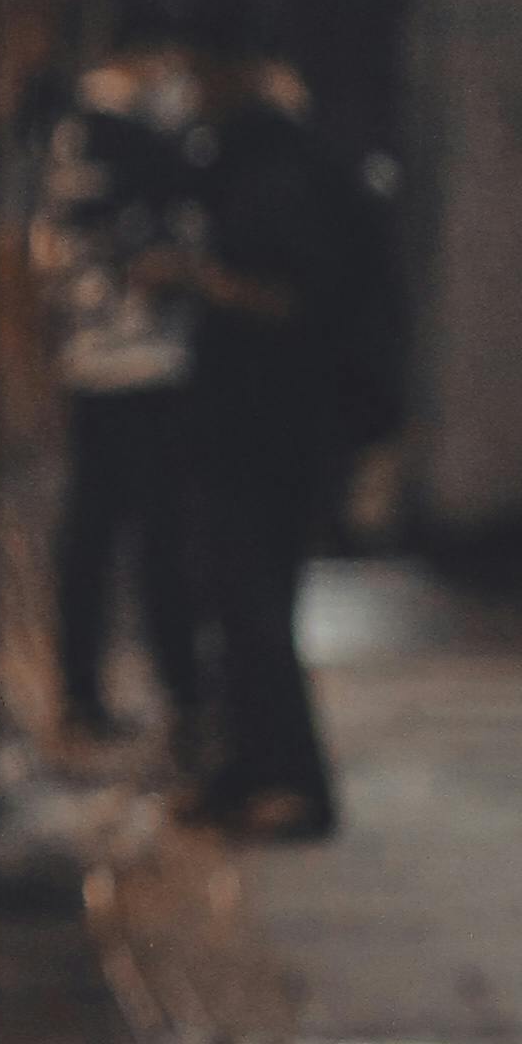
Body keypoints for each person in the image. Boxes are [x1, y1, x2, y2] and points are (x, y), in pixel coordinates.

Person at [180, 47, 348, 839]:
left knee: (255, 613)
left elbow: (292, 301)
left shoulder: (282, 179)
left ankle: (293, 784)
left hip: (269, 435)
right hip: (250, 432)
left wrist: (200, 279)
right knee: (237, 610)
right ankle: (248, 771)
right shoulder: (254, 169)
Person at [27, 40, 204, 753]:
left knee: (98, 533)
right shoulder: (132, 125)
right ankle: (177, 695)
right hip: (145, 359)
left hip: (96, 358)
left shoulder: (82, 128)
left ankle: (86, 694)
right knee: (153, 533)